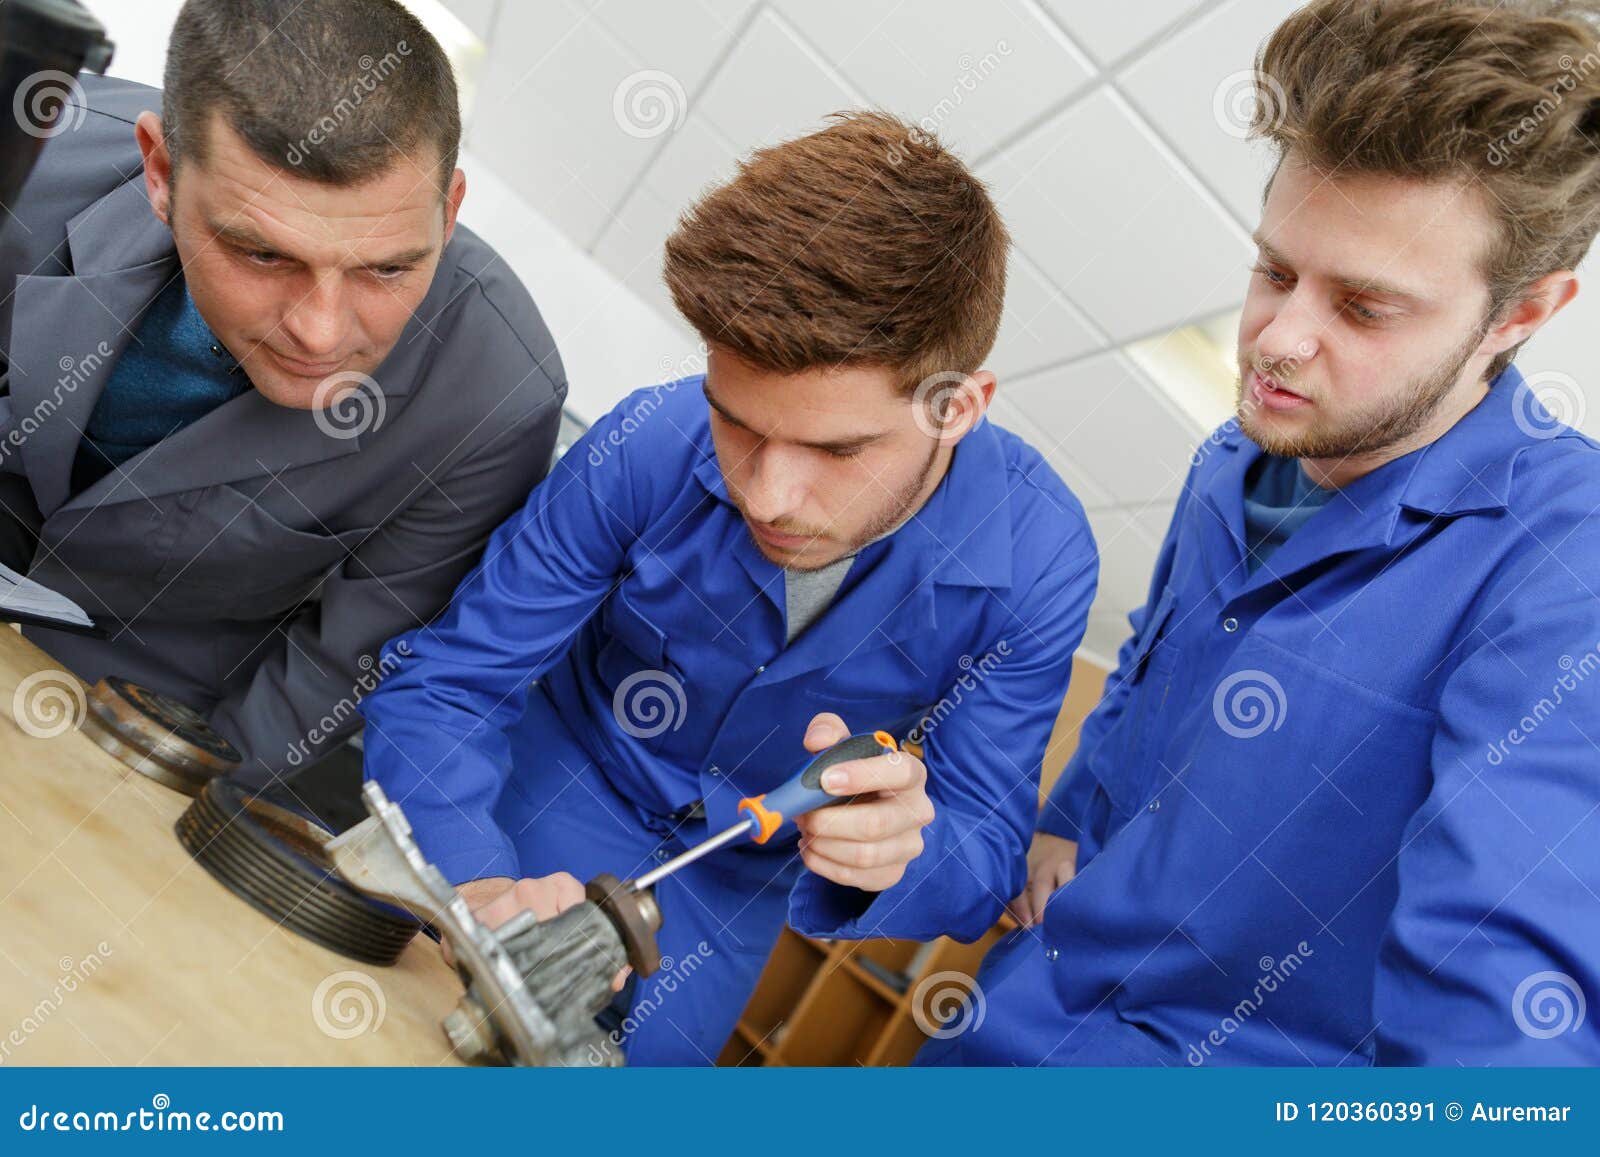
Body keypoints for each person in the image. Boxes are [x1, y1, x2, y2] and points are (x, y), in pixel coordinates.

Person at [932, 0, 1600, 1066]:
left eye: (1365, 307)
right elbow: (1152, 668)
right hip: (1010, 1031)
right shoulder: (1238, 457)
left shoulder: (1569, 567)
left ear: (1521, 313)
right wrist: (1071, 808)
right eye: (1275, 271)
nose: (1277, 342)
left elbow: (1509, 1029)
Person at [359, 111, 1099, 1065]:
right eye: (737, 422)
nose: (767, 492)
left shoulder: (1041, 558)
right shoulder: (648, 442)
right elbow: (451, 682)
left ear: (958, 406)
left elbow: (987, 842)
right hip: (535, 790)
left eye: (836, 449)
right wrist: (474, 884)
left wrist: (901, 846)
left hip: (728, 898)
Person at [0, 0, 564, 789]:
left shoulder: (494, 395)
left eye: (388, 267)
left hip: (132, 729)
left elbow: (326, 681)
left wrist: (156, 824)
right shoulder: (33, 153)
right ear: (160, 171)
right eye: (263, 254)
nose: (322, 333)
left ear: (450, 208)